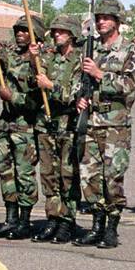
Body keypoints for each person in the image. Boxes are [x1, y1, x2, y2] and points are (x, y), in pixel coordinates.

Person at [73, 0, 135, 248]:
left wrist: (100, 75)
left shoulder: (129, 50)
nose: (101, 21)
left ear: (117, 22)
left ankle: (111, 228)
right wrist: (78, 98)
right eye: (99, 17)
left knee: (112, 178)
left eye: (106, 18)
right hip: (91, 121)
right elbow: (78, 80)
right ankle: (96, 226)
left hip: (115, 125)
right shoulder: (91, 50)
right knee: (89, 177)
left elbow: (128, 85)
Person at [0, 15, 47, 239]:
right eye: (18, 30)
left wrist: (12, 97)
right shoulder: (10, 54)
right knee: (6, 173)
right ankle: (10, 218)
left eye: (25, 31)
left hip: (26, 125)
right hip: (6, 124)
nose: (20, 34)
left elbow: (37, 99)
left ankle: (25, 220)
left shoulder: (41, 60)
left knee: (25, 174)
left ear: (36, 35)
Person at [34, 14, 84, 243]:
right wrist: (33, 57)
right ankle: (52, 218)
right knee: (48, 175)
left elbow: (72, 94)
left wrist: (50, 85)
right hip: (46, 123)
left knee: (67, 175)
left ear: (72, 34)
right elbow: (36, 73)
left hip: (68, 125)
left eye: (61, 31)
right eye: (54, 31)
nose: (56, 35)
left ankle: (67, 221)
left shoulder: (80, 61)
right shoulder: (49, 58)